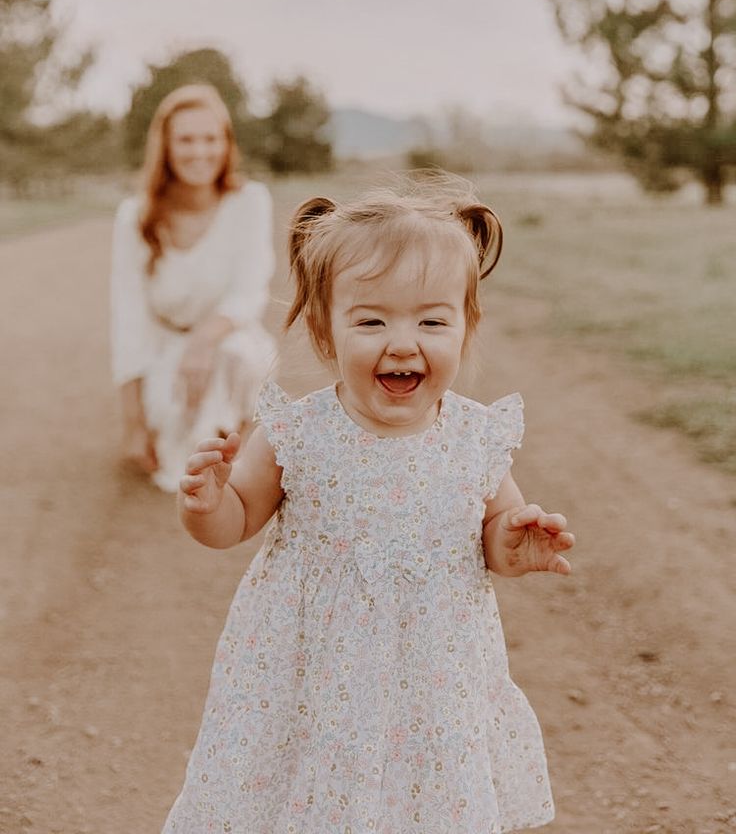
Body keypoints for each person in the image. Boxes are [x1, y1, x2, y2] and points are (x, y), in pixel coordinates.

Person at [162, 177, 575, 833]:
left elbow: (496, 524)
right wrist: (206, 503)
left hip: (432, 684)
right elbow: (233, 519)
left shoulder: (473, 438)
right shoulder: (298, 432)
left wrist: (513, 544)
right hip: (311, 683)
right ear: (326, 330)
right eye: (372, 320)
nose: (403, 342)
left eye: (433, 320)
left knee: (425, 800)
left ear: (466, 327)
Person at [110, 83, 277, 493]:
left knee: (238, 357)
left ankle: (233, 438)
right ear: (165, 146)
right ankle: (185, 432)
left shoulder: (250, 201)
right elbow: (127, 317)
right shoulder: (135, 216)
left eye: (210, 138)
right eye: (186, 139)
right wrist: (134, 423)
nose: (199, 152)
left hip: (230, 338)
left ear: (226, 144)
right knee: (172, 457)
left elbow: (249, 291)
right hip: (165, 346)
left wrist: (203, 342)